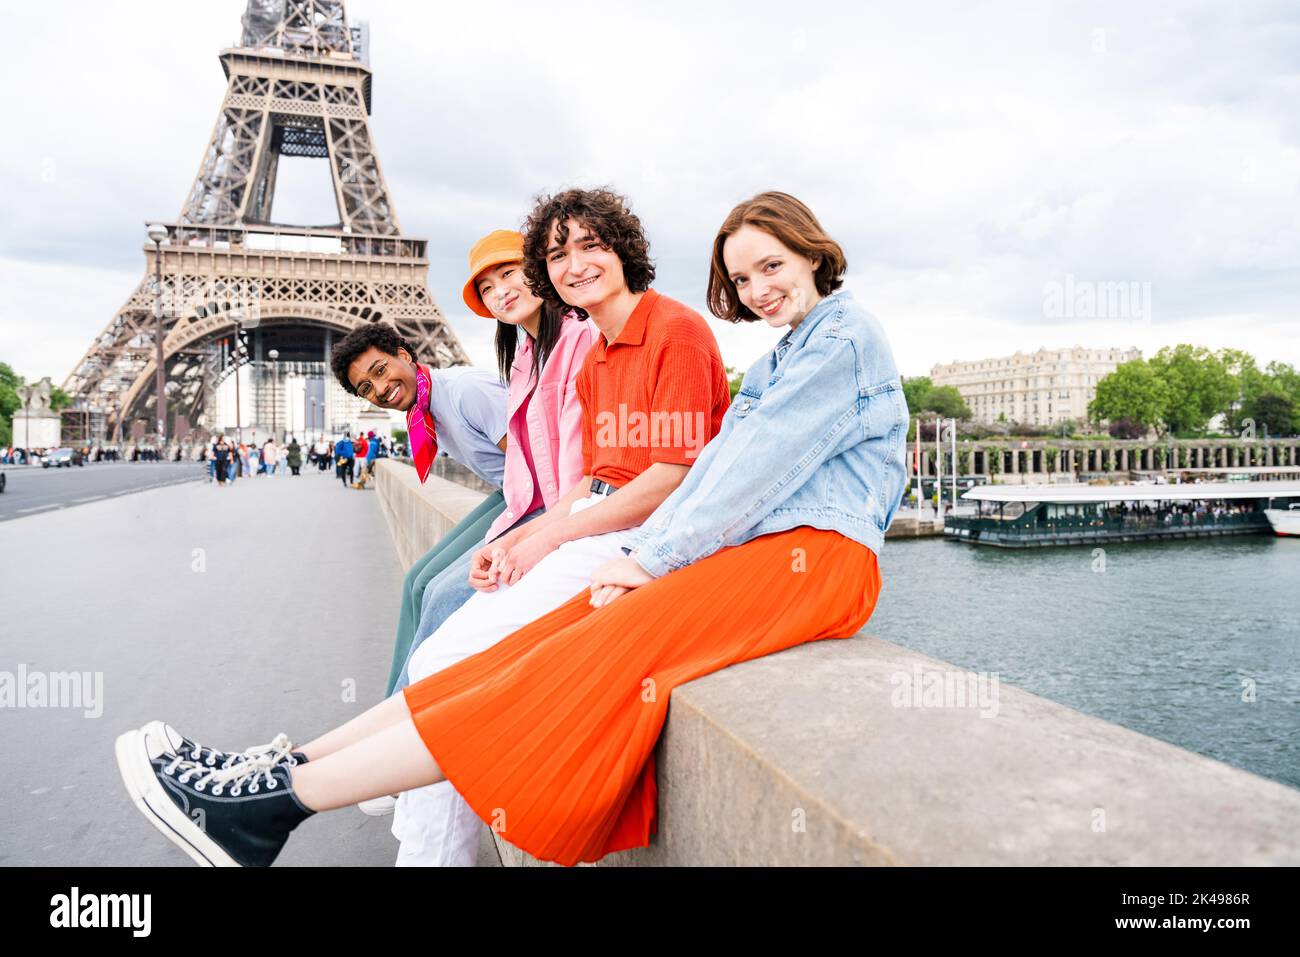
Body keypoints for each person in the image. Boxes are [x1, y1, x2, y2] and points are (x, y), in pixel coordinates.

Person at [117, 189, 918, 871]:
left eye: (771, 266)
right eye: (743, 277)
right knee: (506, 659)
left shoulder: (843, 337)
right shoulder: (785, 352)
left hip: (811, 561)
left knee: (547, 665)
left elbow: (742, 468)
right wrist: (622, 546)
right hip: (759, 554)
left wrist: (650, 555)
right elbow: (713, 469)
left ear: (815, 254)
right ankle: (273, 789)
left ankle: (275, 802)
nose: (758, 287)